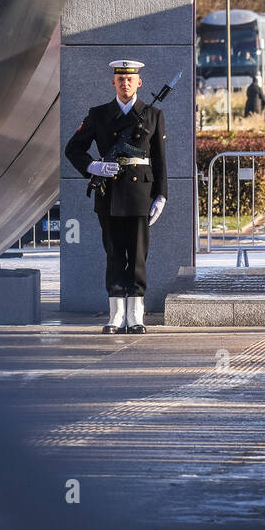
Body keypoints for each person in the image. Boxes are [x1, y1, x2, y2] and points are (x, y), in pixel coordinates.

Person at [64, 60, 168, 334]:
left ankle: (135, 316)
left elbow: (159, 160)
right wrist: (93, 166)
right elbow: (73, 149)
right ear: (113, 82)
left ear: (139, 82)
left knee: (137, 256)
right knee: (113, 254)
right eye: (120, 79)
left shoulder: (153, 114)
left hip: (139, 194)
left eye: (130, 79)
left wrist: (161, 195)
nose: (125, 83)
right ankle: (116, 315)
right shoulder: (98, 114)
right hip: (108, 193)